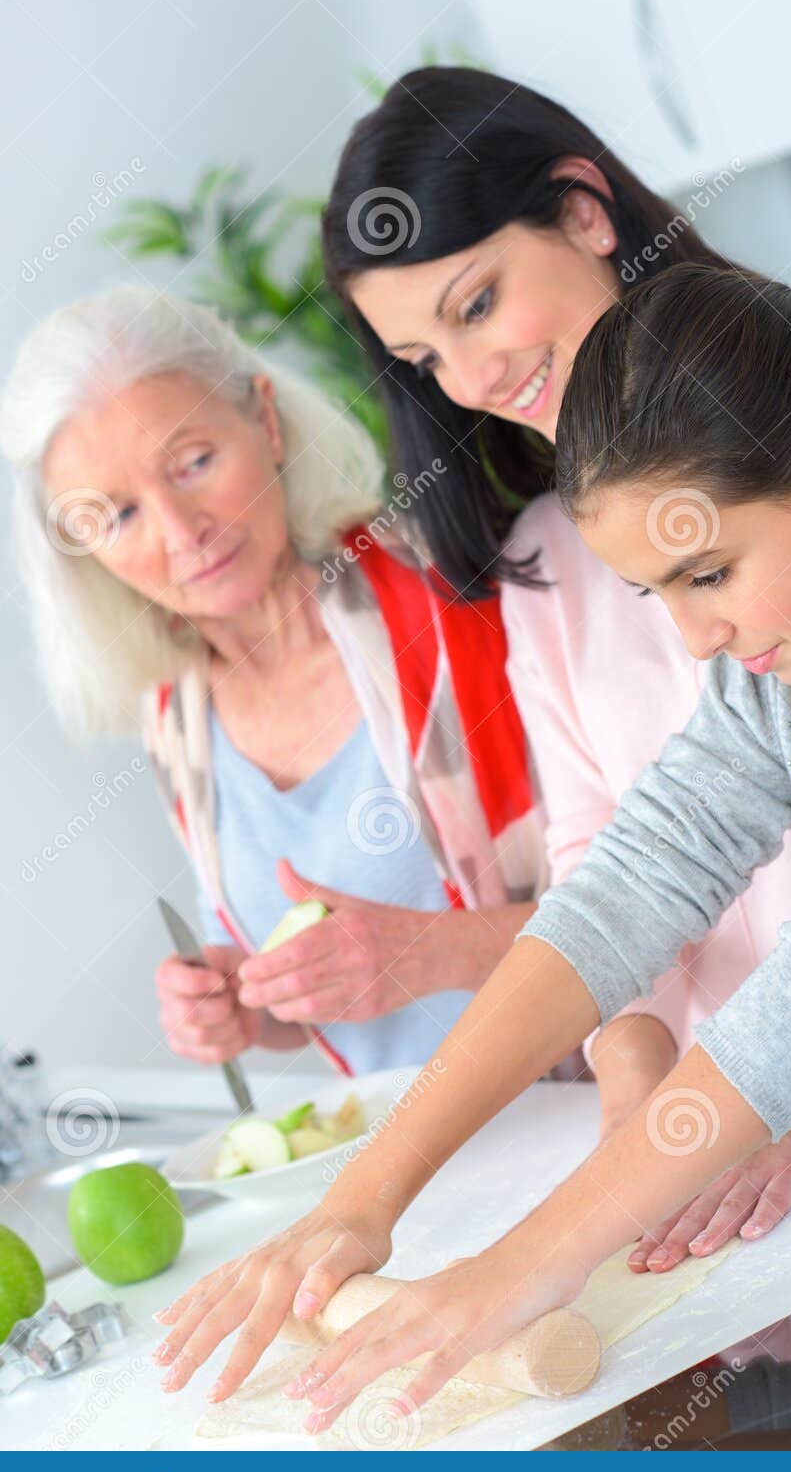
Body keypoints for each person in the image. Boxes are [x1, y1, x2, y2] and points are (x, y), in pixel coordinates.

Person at [151, 263, 791, 1426]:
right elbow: (627, 887)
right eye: (658, 595)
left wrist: (529, 1261)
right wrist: (362, 1197)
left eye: (709, 572)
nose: (698, 634)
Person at [320, 64, 791, 1272]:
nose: (467, 383)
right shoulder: (541, 564)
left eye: (475, 306)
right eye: (421, 357)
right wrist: (638, 1105)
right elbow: (610, 867)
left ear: (584, 210)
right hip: (731, 1146)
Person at [0, 286, 545, 1078]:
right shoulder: (177, 720)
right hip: (417, 1176)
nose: (184, 534)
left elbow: (660, 893)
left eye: (193, 463)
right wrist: (250, 1010)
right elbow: (341, 1002)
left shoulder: (455, 589)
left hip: (588, 1118)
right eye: (117, 516)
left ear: (264, 419)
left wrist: (432, 953)